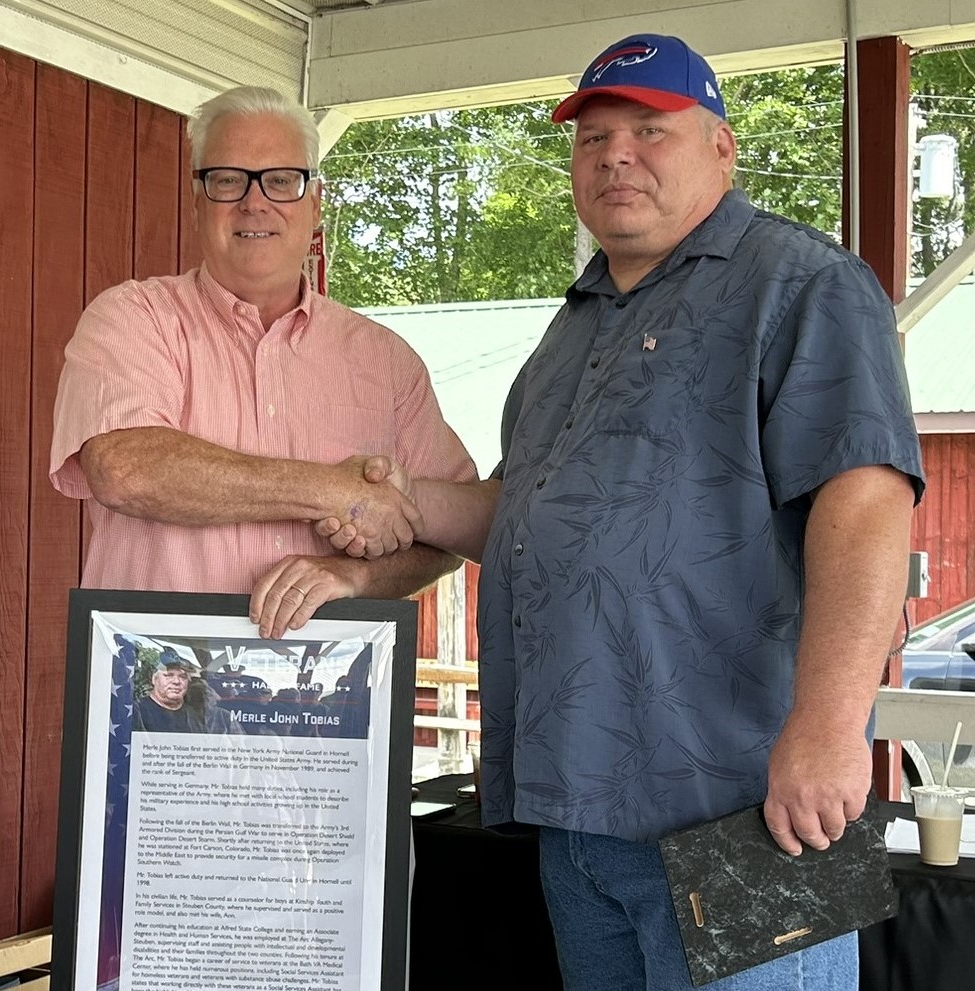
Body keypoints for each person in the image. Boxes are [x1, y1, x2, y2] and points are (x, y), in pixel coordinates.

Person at [319, 33, 925, 991]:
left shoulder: (800, 281)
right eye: (593, 137)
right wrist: (401, 503)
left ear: (721, 147)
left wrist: (829, 724)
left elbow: (867, 499)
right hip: (579, 806)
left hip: (744, 806)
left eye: (650, 130)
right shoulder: (574, 324)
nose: (615, 156)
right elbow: (522, 512)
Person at [49, 85, 477, 637]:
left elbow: (451, 533)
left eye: (280, 180)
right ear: (197, 200)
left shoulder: (386, 361)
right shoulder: (135, 316)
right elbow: (124, 469)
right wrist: (333, 491)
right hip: (155, 679)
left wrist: (355, 576)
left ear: (315, 203)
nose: (255, 203)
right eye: (229, 180)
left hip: (321, 687)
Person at [132, 648, 241, 734]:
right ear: (154, 679)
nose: (176, 681)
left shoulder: (198, 716)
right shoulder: (136, 712)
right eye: (168, 675)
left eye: (183, 677)